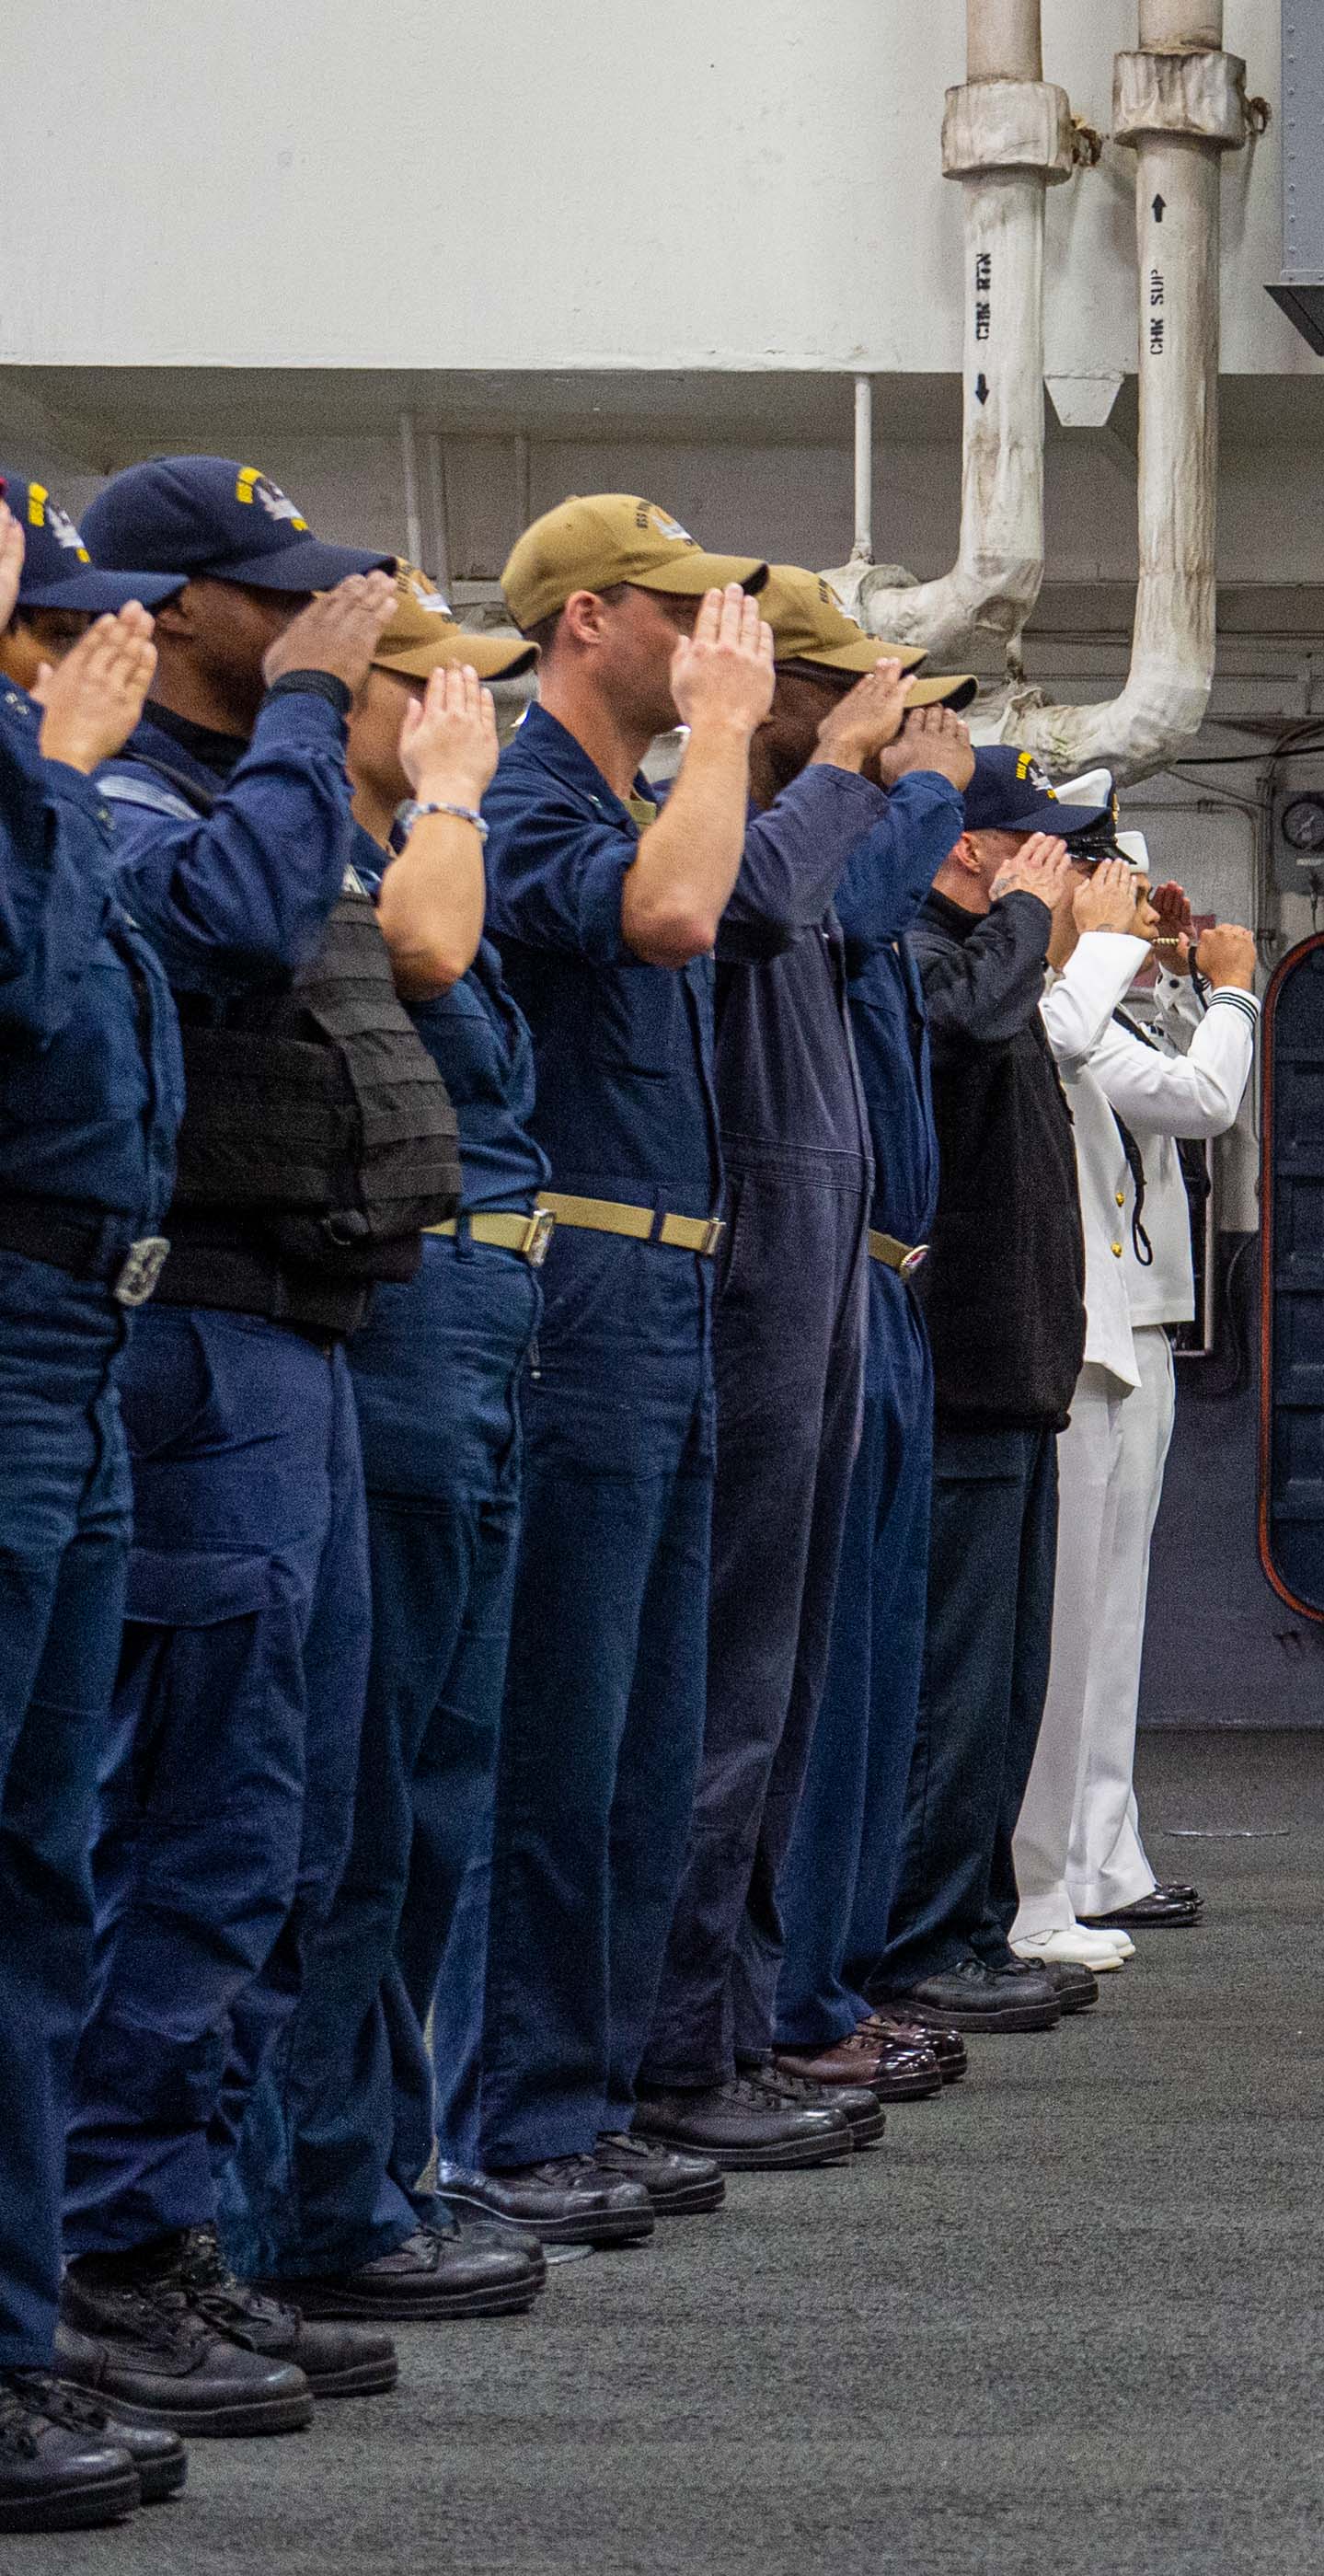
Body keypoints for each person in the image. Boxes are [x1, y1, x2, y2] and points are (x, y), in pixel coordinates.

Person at [63, 457, 421, 2428]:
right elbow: (238, 928)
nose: (303, 620)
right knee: (188, 1825)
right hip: (188, 1340)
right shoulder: (127, 793)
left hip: (298, 1330)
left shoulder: (224, 783)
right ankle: (111, 2246)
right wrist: (307, 712)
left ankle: (179, 2224)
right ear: (165, 604)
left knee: (281, 1825)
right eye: (262, 596)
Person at [445, 495, 791, 2244]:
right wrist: (728, 732)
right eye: (679, 613)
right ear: (585, 620)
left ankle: (599, 2078)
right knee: (564, 1730)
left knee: (652, 1723)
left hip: (670, 1291)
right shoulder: (526, 800)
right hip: (580, 1286)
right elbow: (667, 920)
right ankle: (526, 2105)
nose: (708, 639)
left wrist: (711, 751)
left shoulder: (631, 793)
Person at [222, 583, 554, 2330]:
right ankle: (318, 2189)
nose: (463, 714)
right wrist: (446, 794)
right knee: (358, 1794)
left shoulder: (412, 842)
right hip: (404, 1324)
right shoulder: (371, 855)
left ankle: (390, 2159)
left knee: (437, 1781)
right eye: (428, 687)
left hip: (481, 1316)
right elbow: (419, 959)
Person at [633, 579, 954, 2172]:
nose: (884, 723)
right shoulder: (726, 826)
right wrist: (831, 761)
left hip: (822, 1279)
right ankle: (687, 2034)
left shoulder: (802, 836)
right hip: (753, 1278)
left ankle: (742, 2014)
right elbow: (743, 904)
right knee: (727, 1694)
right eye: (849, 695)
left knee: (790, 1686)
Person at [0, 493, 185, 2528]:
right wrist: (54, 783)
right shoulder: (59, 794)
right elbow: (35, 1014)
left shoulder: (55, 787)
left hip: (87, 1336)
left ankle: (22, 2328)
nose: (90, 658)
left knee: (45, 1875)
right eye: (61, 629)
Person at [755, 571, 979, 2109]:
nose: (891, 717)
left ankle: (834, 1969)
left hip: (884, 1282)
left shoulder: (843, 841)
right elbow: (841, 908)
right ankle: (787, 1991)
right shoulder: (789, 846)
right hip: (800, 1276)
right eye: (844, 689)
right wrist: (904, 794)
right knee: (804, 1688)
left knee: (873, 1672)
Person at [872, 753, 1122, 2039]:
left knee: (1004, 1682)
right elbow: (955, 1025)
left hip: (1014, 1375)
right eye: (1048, 848)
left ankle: (969, 1924)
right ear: (977, 849)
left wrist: (1027, 926)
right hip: (961, 1373)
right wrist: (1029, 919)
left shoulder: (992, 957)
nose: (1072, 869)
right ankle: (921, 1938)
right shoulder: (921, 953)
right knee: (954, 1683)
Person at [1007, 867, 1260, 1963]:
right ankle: (1047, 1870)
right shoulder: (1053, 1005)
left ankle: (1100, 1851)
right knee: (1070, 1620)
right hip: (1082, 1327)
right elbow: (1200, 1100)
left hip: (1135, 1319)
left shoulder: (1104, 1004)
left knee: (1111, 1619)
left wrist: (1180, 981)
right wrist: (1240, 996)